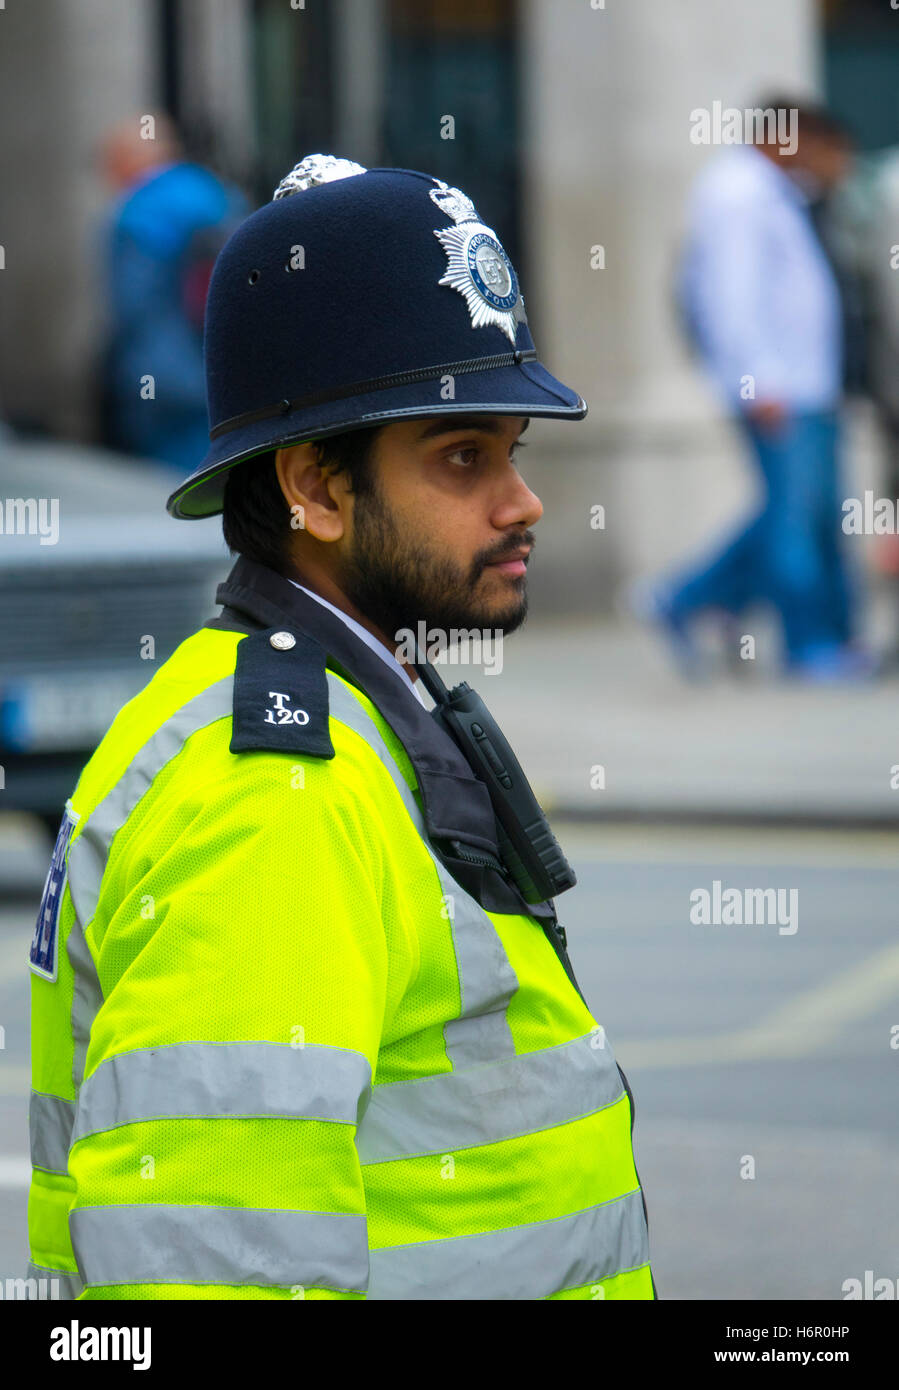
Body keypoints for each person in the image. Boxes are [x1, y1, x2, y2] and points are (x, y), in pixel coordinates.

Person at [26, 155, 655, 1301]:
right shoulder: (272, 790)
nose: (522, 501)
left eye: (511, 451)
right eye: (462, 457)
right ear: (315, 485)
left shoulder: (347, 705)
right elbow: (208, 1268)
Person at [655, 98, 871, 680]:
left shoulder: (773, 190)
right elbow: (730, 296)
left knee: (797, 515)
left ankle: (684, 600)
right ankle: (809, 646)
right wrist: (760, 382)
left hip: (807, 386)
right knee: (795, 523)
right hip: (780, 389)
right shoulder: (736, 192)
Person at [97, 113, 248, 473]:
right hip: (224, 372)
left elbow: (132, 307)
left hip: (162, 382)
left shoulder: (137, 214)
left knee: (168, 489)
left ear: (125, 159)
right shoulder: (219, 196)